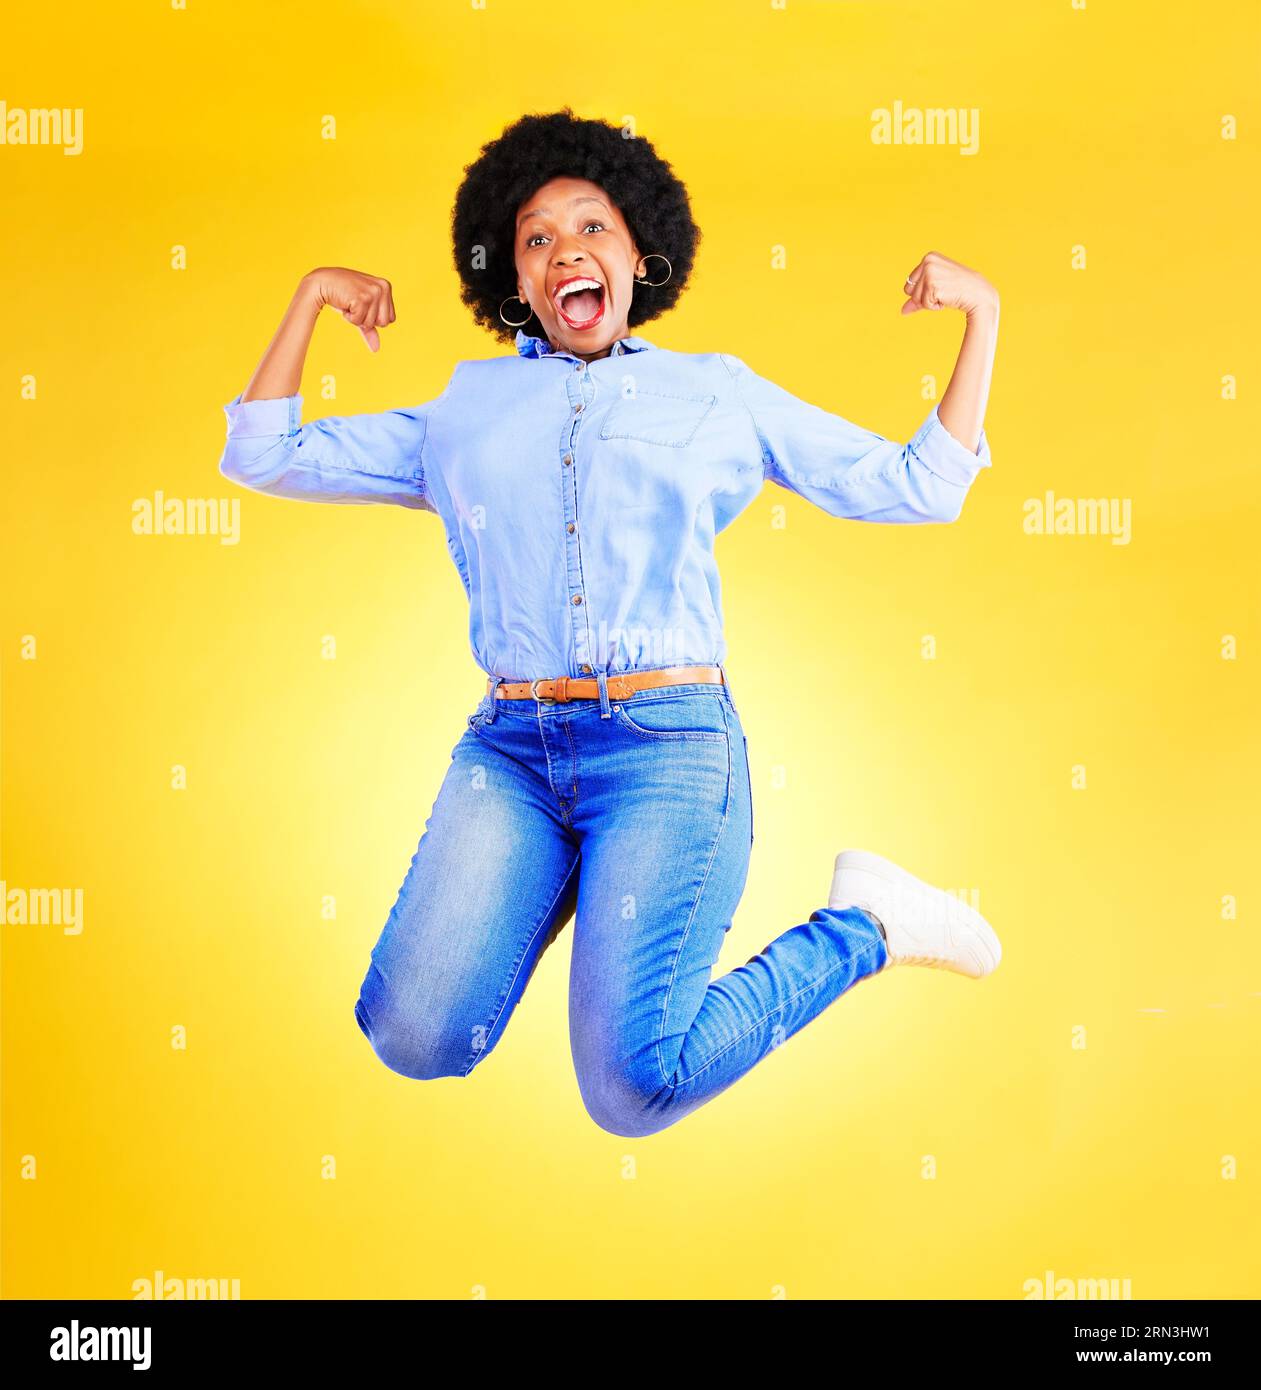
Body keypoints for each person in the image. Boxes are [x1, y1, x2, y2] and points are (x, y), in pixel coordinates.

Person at [218, 109, 1003, 1139]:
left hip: (667, 751)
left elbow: (917, 487)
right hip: (514, 752)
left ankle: (868, 924)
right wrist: (314, 298)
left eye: (592, 228)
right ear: (513, 277)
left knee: (632, 1090)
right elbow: (264, 453)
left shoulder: (715, 392)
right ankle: (571, 869)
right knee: (414, 1033)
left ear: (640, 253)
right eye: (536, 240)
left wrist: (981, 314)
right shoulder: (461, 412)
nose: (565, 253)